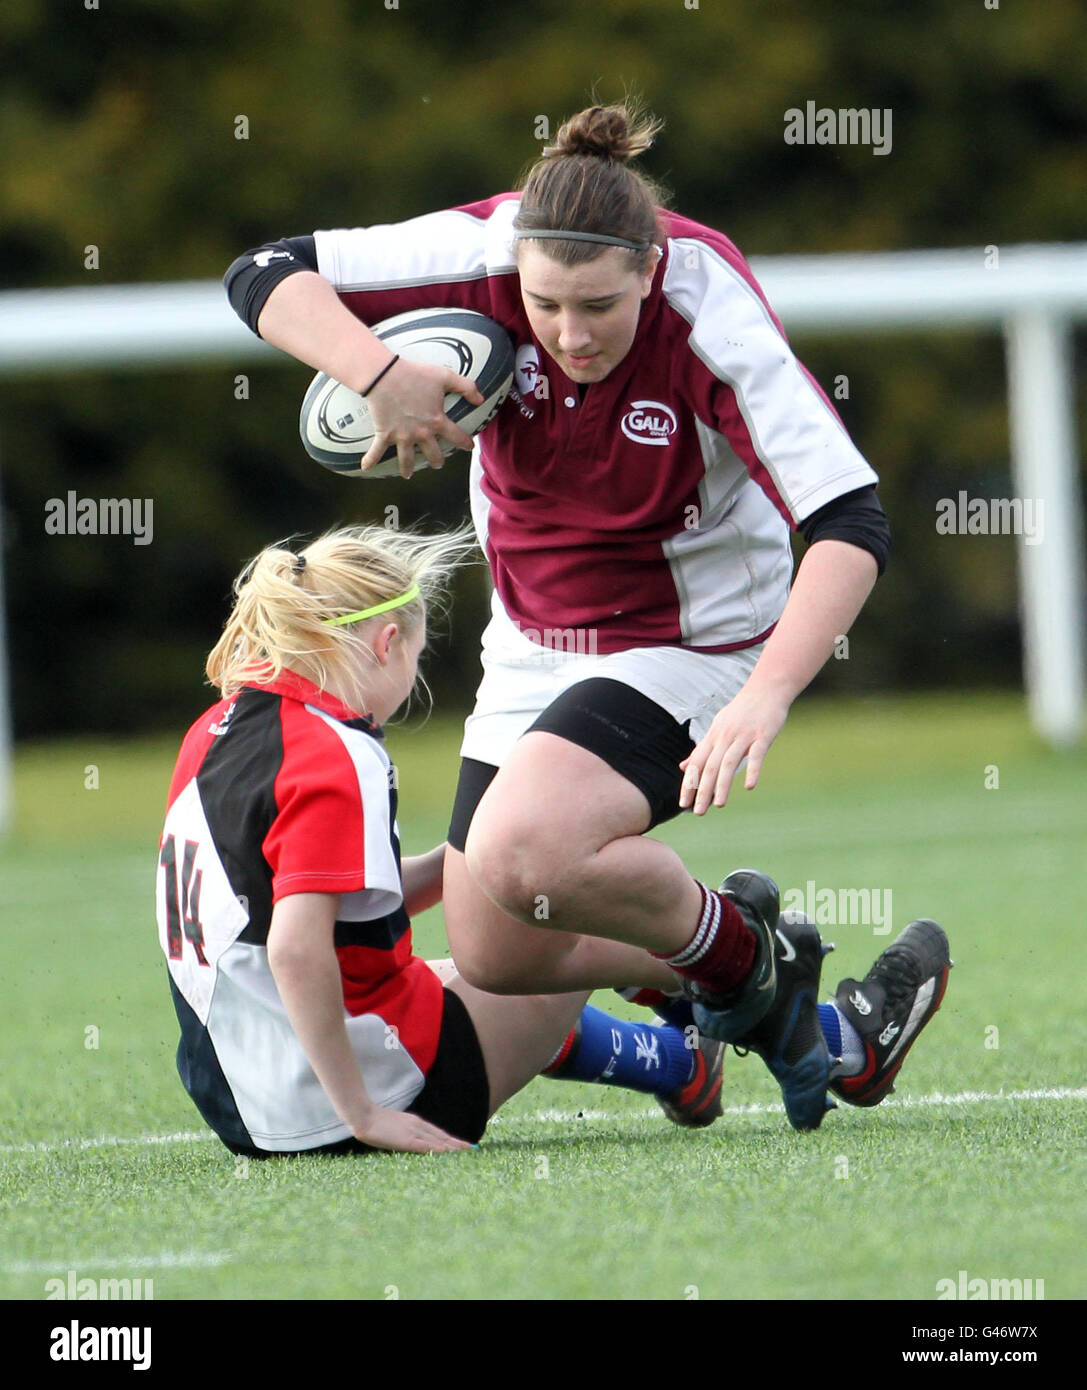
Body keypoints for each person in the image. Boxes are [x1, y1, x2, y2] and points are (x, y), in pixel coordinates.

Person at [223, 102, 951, 1132]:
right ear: (513, 268)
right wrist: (378, 374)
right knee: (499, 946)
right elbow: (263, 273)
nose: (570, 334)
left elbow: (848, 521)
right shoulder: (477, 252)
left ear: (650, 270)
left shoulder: (709, 308)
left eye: (600, 305)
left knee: (528, 849)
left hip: (693, 637)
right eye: (545, 303)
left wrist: (766, 694)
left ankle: (748, 960)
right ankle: (808, 1010)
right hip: (532, 637)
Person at [156, 525, 733, 1157]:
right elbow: (296, 951)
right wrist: (365, 1114)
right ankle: (731, 967)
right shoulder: (334, 753)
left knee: (464, 966)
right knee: (550, 926)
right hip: (333, 1106)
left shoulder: (215, 727)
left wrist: (459, 866)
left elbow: (298, 904)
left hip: (238, 1092)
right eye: (416, 657)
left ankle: (680, 1064)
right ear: (388, 643)